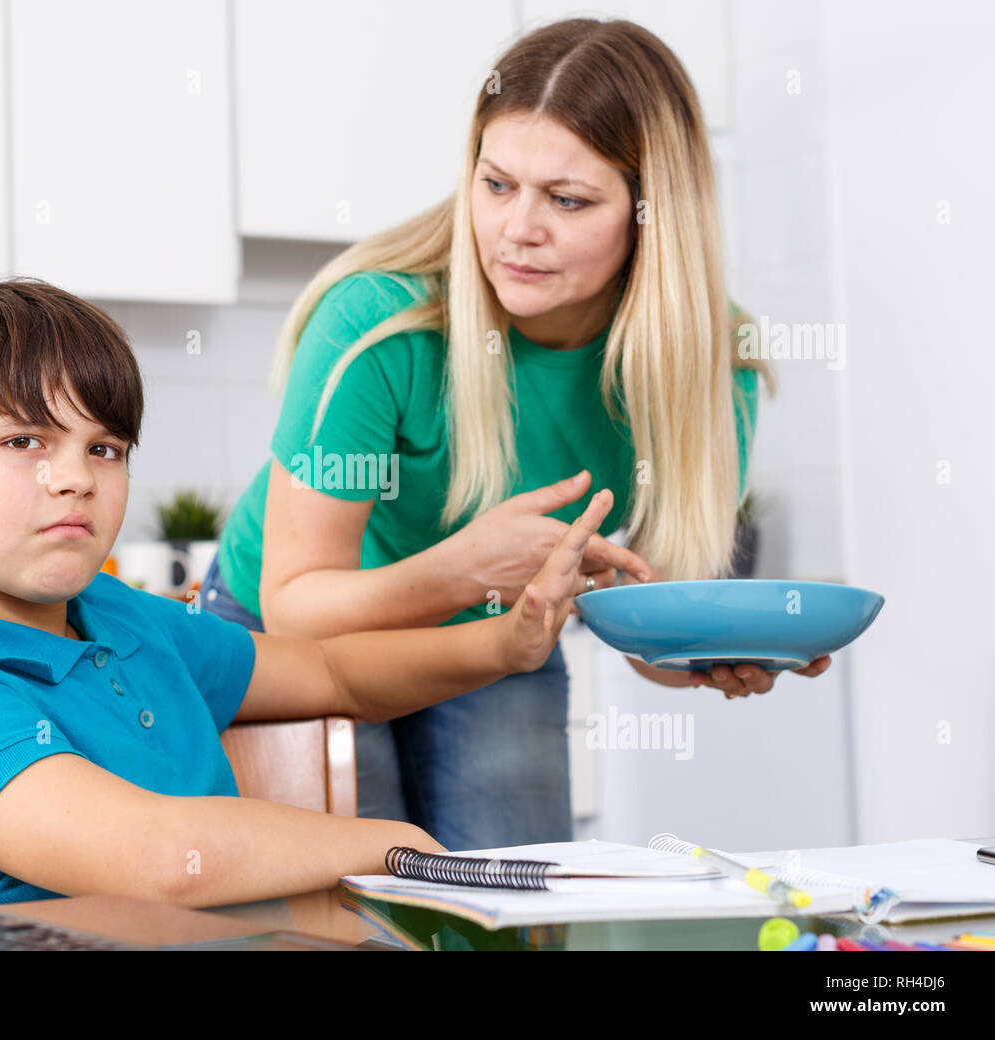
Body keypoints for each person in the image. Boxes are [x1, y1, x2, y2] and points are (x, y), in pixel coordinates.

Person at [202, 18, 830, 851]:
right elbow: (296, 602)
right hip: (288, 628)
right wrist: (464, 568)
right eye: (497, 185)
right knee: (357, 906)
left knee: (516, 902)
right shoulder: (378, 327)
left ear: (652, 215)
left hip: (496, 627)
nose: (517, 230)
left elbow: (649, 622)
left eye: (567, 200)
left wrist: (713, 655)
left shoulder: (710, 361)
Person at [0, 277, 613, 913]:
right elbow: (163, 859)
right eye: (25, 443)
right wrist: (390, 842)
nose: (76, 477)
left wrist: (505, 643)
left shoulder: (127, 623)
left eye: (104, 448)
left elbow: (333, 672)